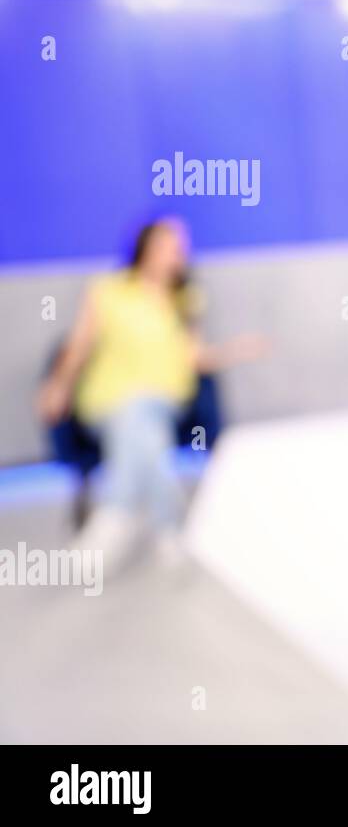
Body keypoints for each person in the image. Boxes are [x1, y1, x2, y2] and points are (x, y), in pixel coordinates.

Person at [36, 217, 265, 571]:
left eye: (182, 249)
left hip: (167, 399)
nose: (179, 256)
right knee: (141, 425)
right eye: (173, 247)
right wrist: (57, 386)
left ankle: (116, 517)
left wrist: (236, 350)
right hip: (109, 400)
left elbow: (195, 357)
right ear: (148, 249)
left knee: (143, 421)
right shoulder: (108, 290)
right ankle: (167, 531)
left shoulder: (186, 298)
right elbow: (79, 346)